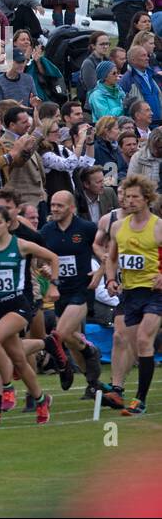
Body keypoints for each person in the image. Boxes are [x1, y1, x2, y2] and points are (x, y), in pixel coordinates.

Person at [0, 206, 59, 424]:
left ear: (8, 223)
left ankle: (6, 388)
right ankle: (41, 399)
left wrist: (53, 285)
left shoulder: (21, 245)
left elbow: (53, 257)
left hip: (17, 303)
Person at [102, 175, 162, 416]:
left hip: (155, 292)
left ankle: (140, 400)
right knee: (127, 341)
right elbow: (112, 257)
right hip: (130, 292)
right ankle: (120, 388)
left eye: (135, 197)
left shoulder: (158, 226)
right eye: (127, 197)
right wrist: (110, 279)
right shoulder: (118, 226)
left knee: (144, 340)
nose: (130, 201)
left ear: (147, 198)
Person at [40, 190, 104, 399]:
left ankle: (66, 366)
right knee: (69, 340)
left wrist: (100, 272)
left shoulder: (86, 228)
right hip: (60, 291)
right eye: (53, 205)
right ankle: (92, 381)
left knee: (62, 333)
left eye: (59, 205)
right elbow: (40, 259)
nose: (55, 209)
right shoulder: (47, 230)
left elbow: (108, 250)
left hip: (82, 289)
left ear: (72, 208)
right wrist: (46, 269)